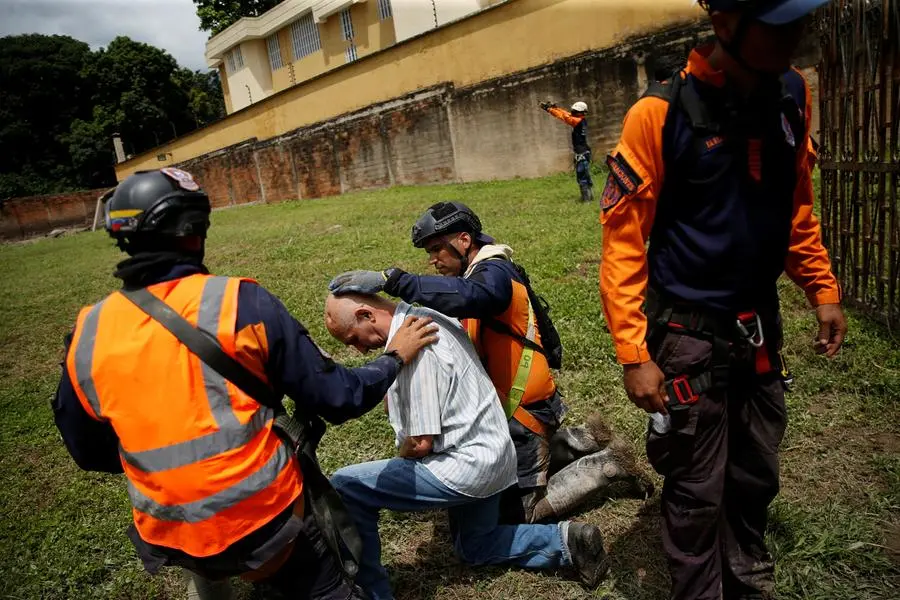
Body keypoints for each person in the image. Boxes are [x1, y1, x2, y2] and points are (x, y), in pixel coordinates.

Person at [51, 168, 439, 599]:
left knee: (210, 568)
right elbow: (339, 397)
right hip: (265, 525)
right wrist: (394, 357)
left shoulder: (87, 333)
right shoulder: (240, 304)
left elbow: (88, 451)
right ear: (195, 228)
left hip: (171, 533)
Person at [598, 1, 847, 599]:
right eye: (779, 22)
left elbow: (795, 203)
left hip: (759, 322)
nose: (797, 35)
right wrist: (635, 352)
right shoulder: (658, 115)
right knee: (695, 483)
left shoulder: (791, 92)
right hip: (688, 335)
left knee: (756, 466)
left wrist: (821, 286)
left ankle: (747, 575)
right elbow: (624, 246)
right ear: (726, 21)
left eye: (800, 20)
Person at [328, 201, 650, 525]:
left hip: (523, 413)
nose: (433, 260)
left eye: (438, 248)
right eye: (429, 251)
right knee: (508, 478)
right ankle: (581, 439)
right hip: (513, 408)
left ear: (465, 240)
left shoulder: (493, 271)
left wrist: (397, 281)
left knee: (520, 514)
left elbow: (477, 297)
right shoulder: (472, 272)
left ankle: (606, 467)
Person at [323, 293, 612, 600]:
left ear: (367, 315)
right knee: (475, 546)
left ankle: (373, 593)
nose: (358, 349)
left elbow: (419, 444)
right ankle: (569, 542)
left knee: (346, 485)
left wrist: (399, 463)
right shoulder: (430, 315)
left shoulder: (412, 347)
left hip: (466, 466)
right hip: (496, 455)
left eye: (353, 338)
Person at [540, 100, 594, 202]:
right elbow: (566, 113)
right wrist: (556, 108)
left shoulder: (576, 121)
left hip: (581, 152)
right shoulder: (581, 120)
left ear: (581, 113)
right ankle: (589, 196)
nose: (573, 112)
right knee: (585, 174)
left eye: (575, 111)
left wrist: (549, 109)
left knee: (581, 174)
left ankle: (586, 199)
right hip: (584, 151)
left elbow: (564, 117)